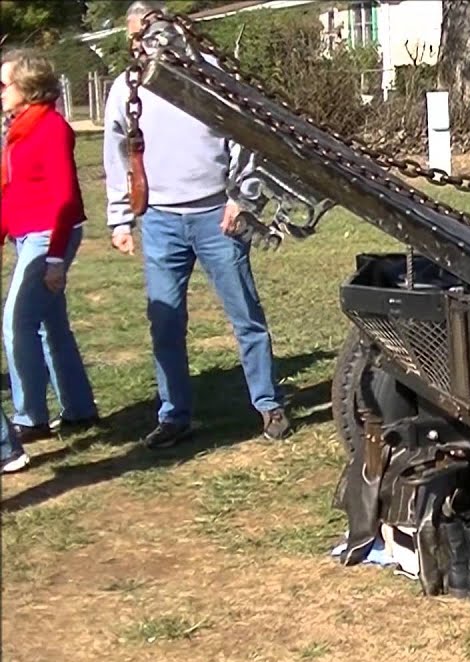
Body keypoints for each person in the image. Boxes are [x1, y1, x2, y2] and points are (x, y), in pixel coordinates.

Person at [103, 0, 290, 449]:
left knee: (245, 315)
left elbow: (246, 139)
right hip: (162, 220)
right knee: (164, 322)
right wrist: (120, 218)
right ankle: (174, 416)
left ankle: (268, 405)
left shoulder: (208, 75)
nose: (138, 44)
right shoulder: (126, 87)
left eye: (143, 33)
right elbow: (117, 155)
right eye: (132, 37)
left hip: (216, 215)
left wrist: (238, 199)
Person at [1, 48, 99, 447]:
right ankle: (79, 408)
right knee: (49, 324)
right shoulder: (18, 127)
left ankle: (31, 417)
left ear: (28, 87)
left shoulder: (51, 127)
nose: (0, 91)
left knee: (16, 323)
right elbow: (12, 192)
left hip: (49, 235)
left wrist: (56, 258)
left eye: (5, 84)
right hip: (29, 233)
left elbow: (63, 197)